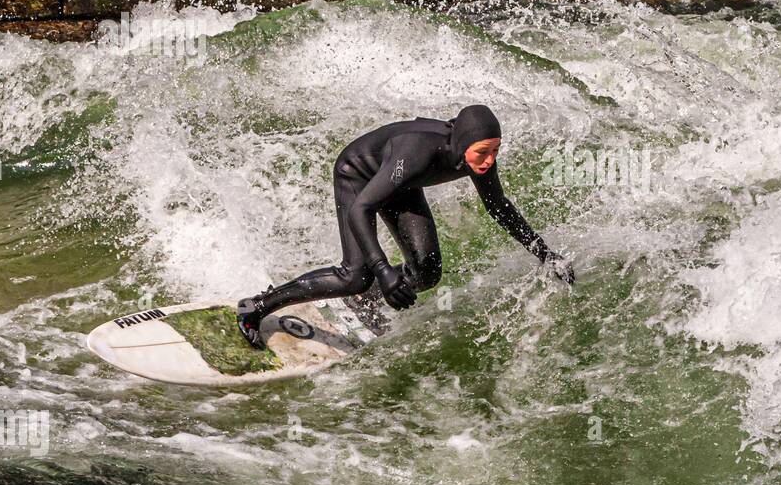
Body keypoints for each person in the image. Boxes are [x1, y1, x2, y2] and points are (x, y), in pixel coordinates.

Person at [235, 105, 574, 349]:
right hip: (359, 176)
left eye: (495, 151)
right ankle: (257, 307)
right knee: (356, 274)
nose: (489, 160)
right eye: (483, 152)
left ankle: (362, 300)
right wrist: (382, 271)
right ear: (464, 143)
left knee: (427, 271)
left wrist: (546, 254)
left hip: (401, 184)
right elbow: (361, 209)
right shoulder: (416, 154)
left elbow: (499, 208)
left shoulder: (478, 159)